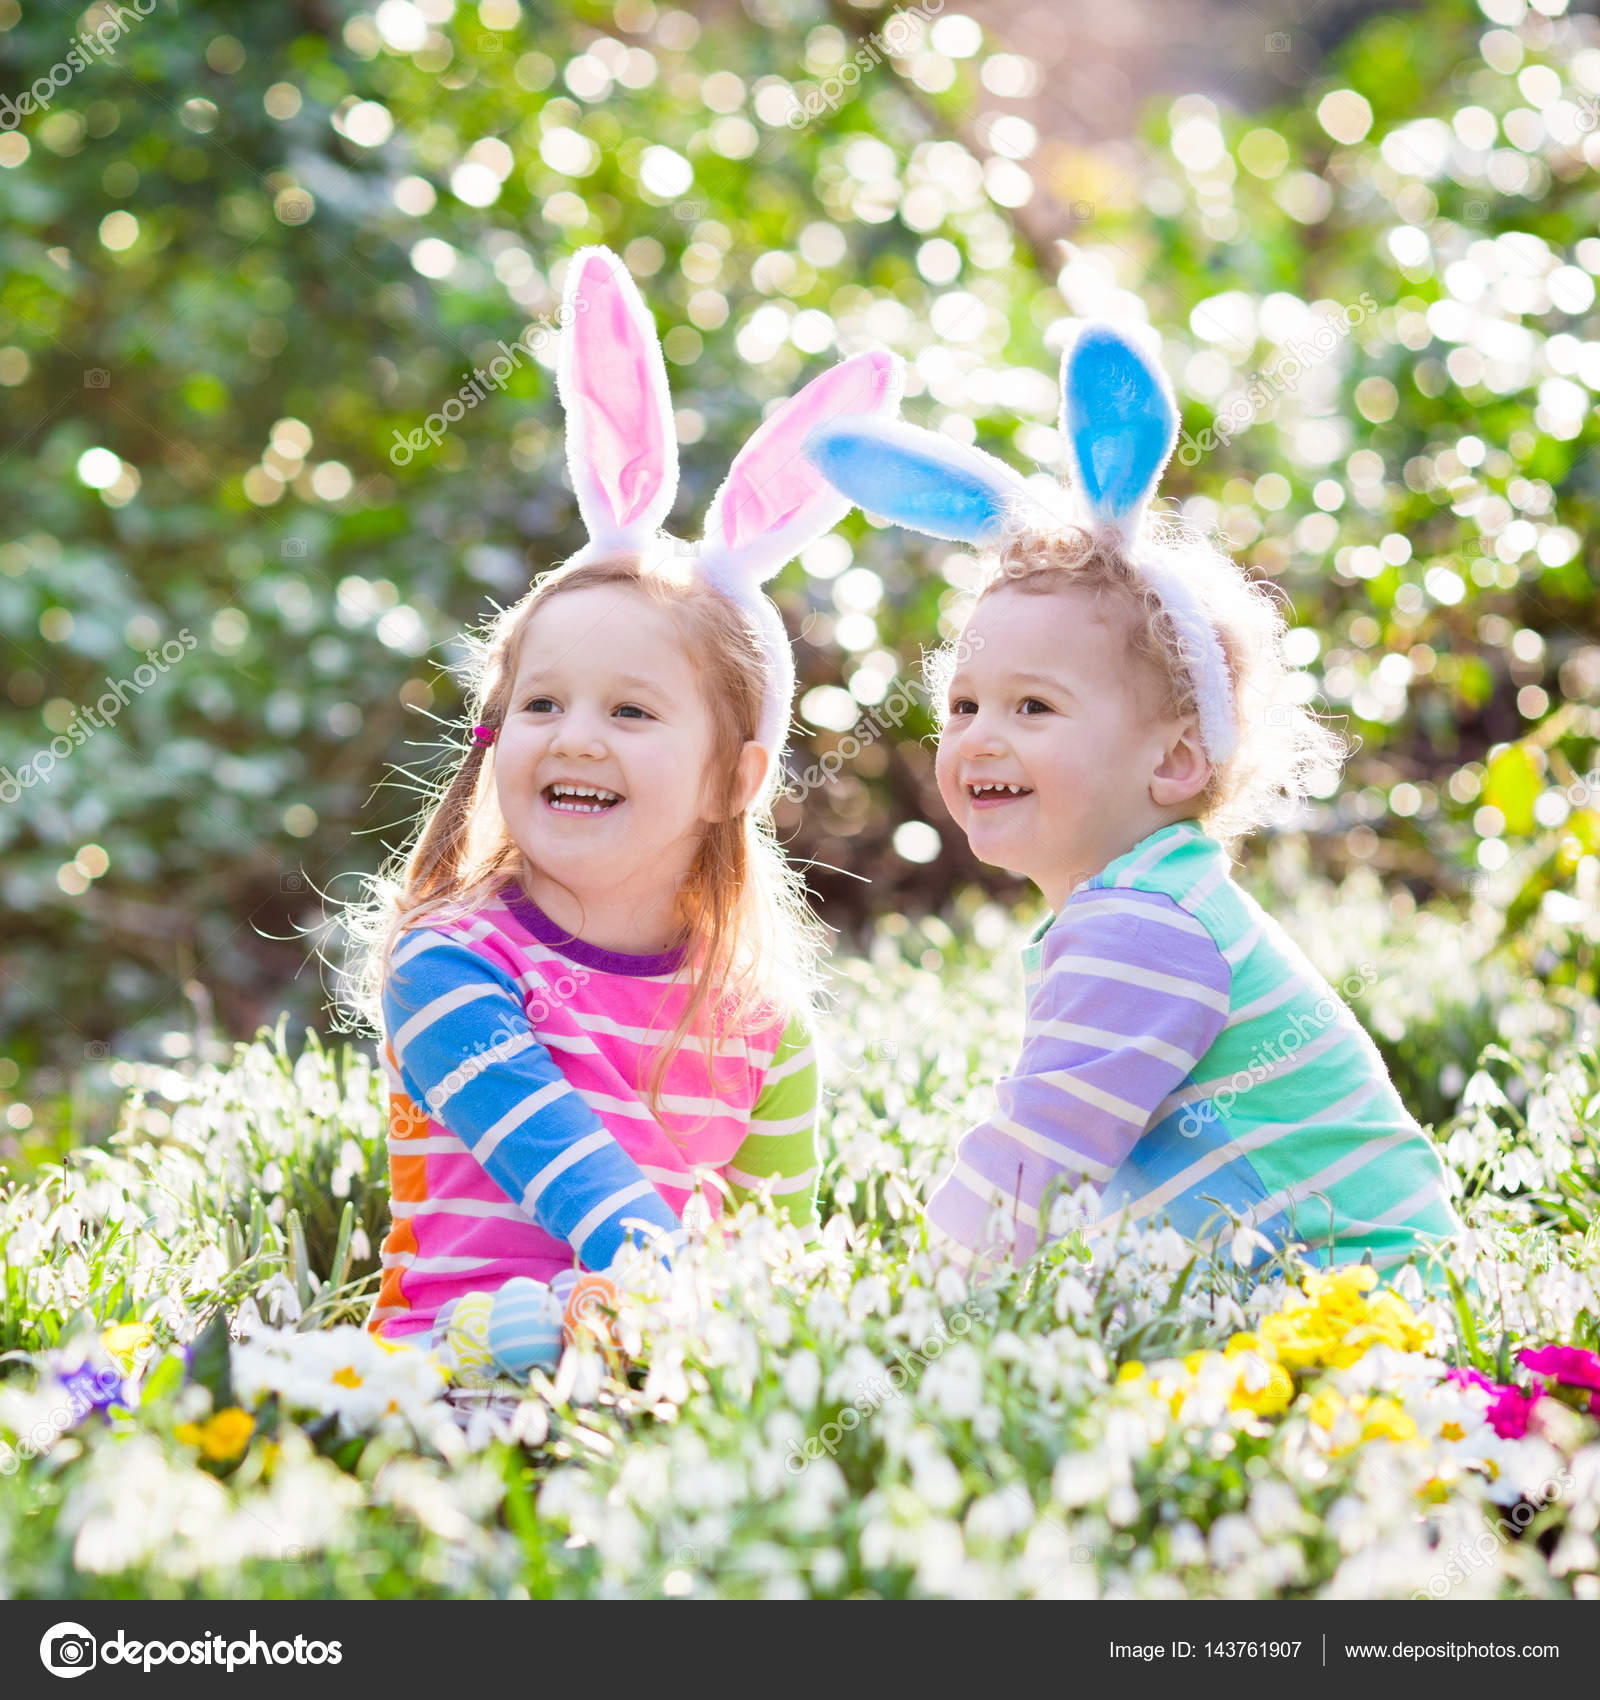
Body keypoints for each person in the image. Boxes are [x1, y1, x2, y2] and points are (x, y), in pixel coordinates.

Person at [804, 322, 1459, 1285]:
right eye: (965, 705)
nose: (979, 737)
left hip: (1365, 1311)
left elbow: (1033, 1165)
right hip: (1331, 1304)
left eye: (1034, 707)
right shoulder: (1152, 904)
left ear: (1178, 760)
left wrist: (891, 1299)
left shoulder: (1146, 928)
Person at [345, 246, 901, 1378]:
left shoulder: (760, 1019)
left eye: (632, 710)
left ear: (732, 781)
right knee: (524, 1339)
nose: (575, 736)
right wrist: (680, 1313)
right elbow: (594, 1200)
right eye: (541, 702)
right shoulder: (449, 967)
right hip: (448, 1377)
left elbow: (772, 1264)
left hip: (655, 1364)